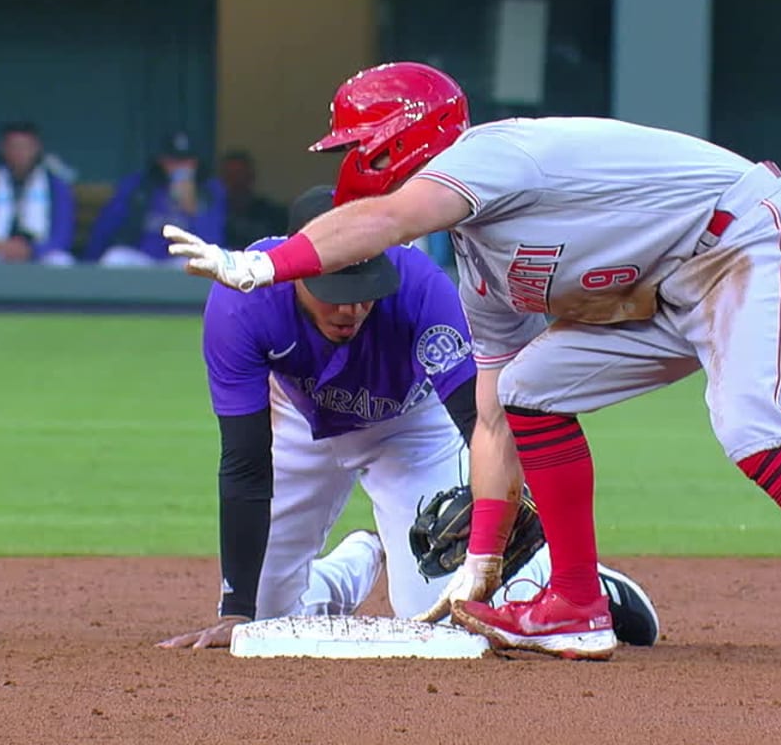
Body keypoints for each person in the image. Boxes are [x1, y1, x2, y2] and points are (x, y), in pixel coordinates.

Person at [164, 62, 781, 671]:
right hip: (666, 288)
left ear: (403, 139)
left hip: (749, 239)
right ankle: (575, 603)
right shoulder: (481, 265)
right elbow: (496, 413)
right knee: (532, 387)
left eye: (357, 142)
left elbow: (391, 218)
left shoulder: (492, 157)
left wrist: (265, 267)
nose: (350, 160)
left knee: (749, 427)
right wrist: (478, 561)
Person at [158, 185, 659, 655]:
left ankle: (560, 577)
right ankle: (350, 570)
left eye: (365, 286)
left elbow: (481, 421)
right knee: (260, 625)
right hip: (297, 420)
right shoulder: (242, 304)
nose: (353, 306)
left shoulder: (420, 287)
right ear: (290, 269)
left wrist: (497, 506)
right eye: (335, 286)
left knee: (439, 619)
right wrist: (235, 610)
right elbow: (245, 462)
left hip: (407, 424)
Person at [85, 133, 221, 268]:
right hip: (141, 258)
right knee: (115, 258)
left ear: (196, 163)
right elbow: (107, 226)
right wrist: (91, 260)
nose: (179, 167)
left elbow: (213, 242)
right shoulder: (138, 186)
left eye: (186, 162)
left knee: (201, 265)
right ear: (161, 161)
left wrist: (194, 209)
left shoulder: (210, 190)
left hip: (179, 261)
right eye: (173, 161)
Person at [0, 122, 76, 267]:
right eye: (13, 147)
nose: (19, 153)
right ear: (2, 149)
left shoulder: (56, 186)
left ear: (36, 148)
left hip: (39, 252)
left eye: (25, 147)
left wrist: (32, 249)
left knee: (60, 262)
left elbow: (62, 235)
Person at [208, 150, 286, 251]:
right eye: (229, 175)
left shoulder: (273, 215)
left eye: (239, 174)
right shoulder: (210, 215)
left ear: (251, 176)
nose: (235, 181)